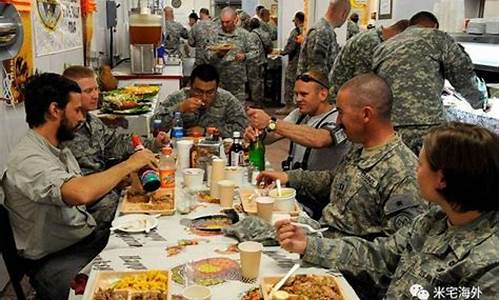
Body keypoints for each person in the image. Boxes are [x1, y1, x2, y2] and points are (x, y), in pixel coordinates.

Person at [275, 122, 499, 299]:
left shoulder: (489, 266)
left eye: (420, 165)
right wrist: (309, 245)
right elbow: (380, 256)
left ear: (441, 179)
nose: (415, 170)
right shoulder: (434, 220)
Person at [1, 73, 157, 300]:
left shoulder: (57, 147)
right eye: (77, 110)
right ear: (55, 110)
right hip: (56, 259)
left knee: (149, 248)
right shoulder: (28, 159)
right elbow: (79, 192)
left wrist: (122, 179)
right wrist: (128, 164)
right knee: (127, 289)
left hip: (81, 238)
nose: (82, 119)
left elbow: (80, 190)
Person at [258, 73, 424, 233]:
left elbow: (394, 251)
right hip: (323, 236)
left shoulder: (402, 173)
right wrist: (289, 177)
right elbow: (334, 179)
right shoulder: (360, 148)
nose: (337, 121)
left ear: (366, 114)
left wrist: (315, 247)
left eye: (341, 113)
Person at [61, 66, 168, 227]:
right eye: (88, 91)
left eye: (96, 88)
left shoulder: (92, 121)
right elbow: (78, 190)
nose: (95, 95)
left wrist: (154, 144)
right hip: (91, 210)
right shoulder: (63, 132)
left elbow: (117, 143)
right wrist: (121, 174)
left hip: (109, 192)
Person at [373, 11, 485, 154]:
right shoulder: (438, 37)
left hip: (390, 128)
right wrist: (481, 101)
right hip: (428, 127)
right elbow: (463, 76)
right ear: (435, 26)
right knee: (430, 172)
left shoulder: (383, 47)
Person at [245, 70, 349, 176]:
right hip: (295, 184)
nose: (298, 99)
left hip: (321, 189)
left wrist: (270, 122)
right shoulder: (299, 114)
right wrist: (258, 134)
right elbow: (273, 134)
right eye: (296, 94)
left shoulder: (339, 118)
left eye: (304, 94)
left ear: (323, 94)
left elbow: (319, 139)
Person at [154, 64, 247, 138]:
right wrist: (179, 109)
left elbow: (243, 129)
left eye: (210, 92)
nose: (204, 97)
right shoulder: (178, 97)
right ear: (190, 86)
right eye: (198, 91)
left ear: (217, 88)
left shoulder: (227, 99)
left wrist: (207, 131)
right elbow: (154, 125)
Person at [329, 19, 409, 101]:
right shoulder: (371, 42)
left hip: (346, 95)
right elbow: (363, 84)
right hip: (340, 99)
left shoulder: (375, 38)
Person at [207, 7, 259, 102]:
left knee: (237, 110)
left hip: (237, 81)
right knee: (218, 108)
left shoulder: (244, 34)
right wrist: (218, 55)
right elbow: (207, 54)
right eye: (222, 22)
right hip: (219, 80)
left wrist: (245, 56)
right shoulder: (214, 34)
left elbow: (255, 52)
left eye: (228, 22)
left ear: (235, 20)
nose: (224, 24)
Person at [296, 0, 351, 77]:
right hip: (315, 87)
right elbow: (316, 72)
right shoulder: (322, 32)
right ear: (344, 14)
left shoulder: (326, 31)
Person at [277, 11, 305, 115]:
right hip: (303, 63)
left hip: (294, 62)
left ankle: (288, 105)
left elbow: (291, 47)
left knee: (289, 83)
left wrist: (282, 52)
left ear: (297, 20)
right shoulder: (307, 30)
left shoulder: (295, 31)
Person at [247, 18, 272, 106]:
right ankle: (261, 100)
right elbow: (269, 45)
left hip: (254, 61)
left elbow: (251, 50)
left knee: (254, 82)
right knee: (261, 81)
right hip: (263, 60)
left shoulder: (251, 35)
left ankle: (257, 101)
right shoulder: (264, 33)